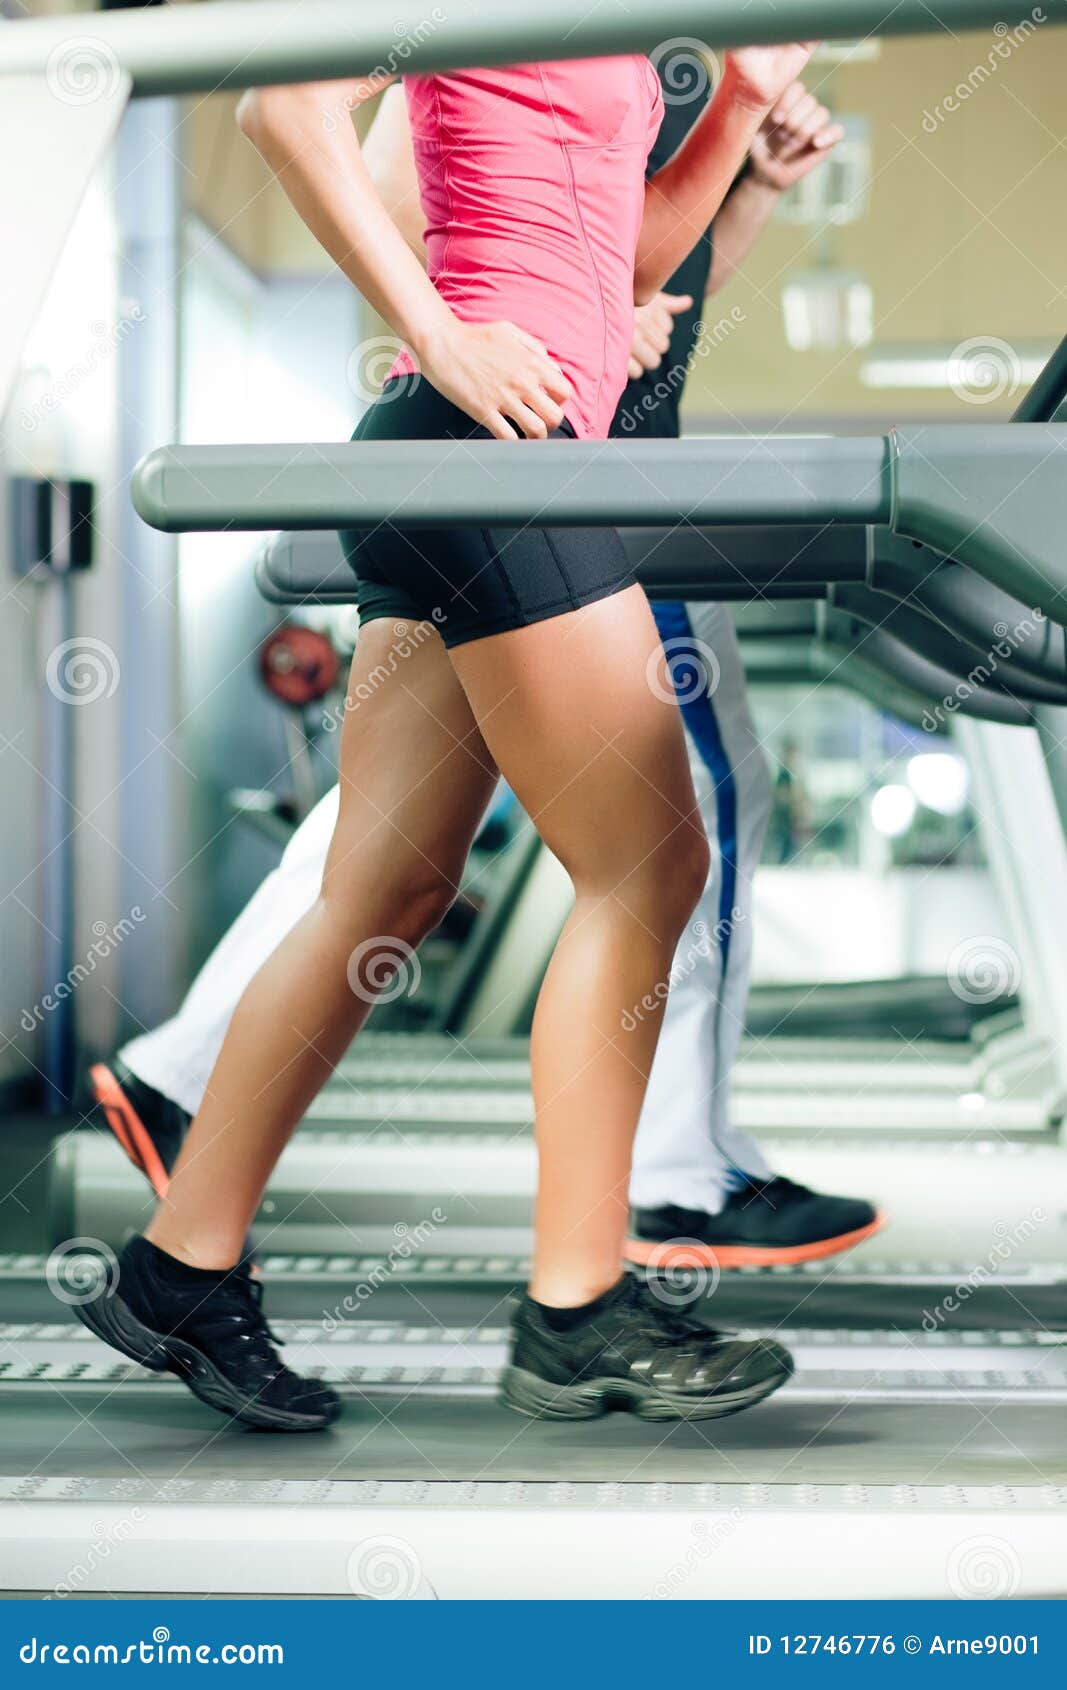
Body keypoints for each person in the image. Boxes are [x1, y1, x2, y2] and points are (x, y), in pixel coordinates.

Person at [78, 43, 862, 1434]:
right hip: (497, 444)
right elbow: (282, 106)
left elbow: (627, 268)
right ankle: (576, 1312)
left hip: (494, 445)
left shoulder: (618, 27)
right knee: (648, 869)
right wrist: (439, 329)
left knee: (381, 891)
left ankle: (181, 1262)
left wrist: (740, 120)